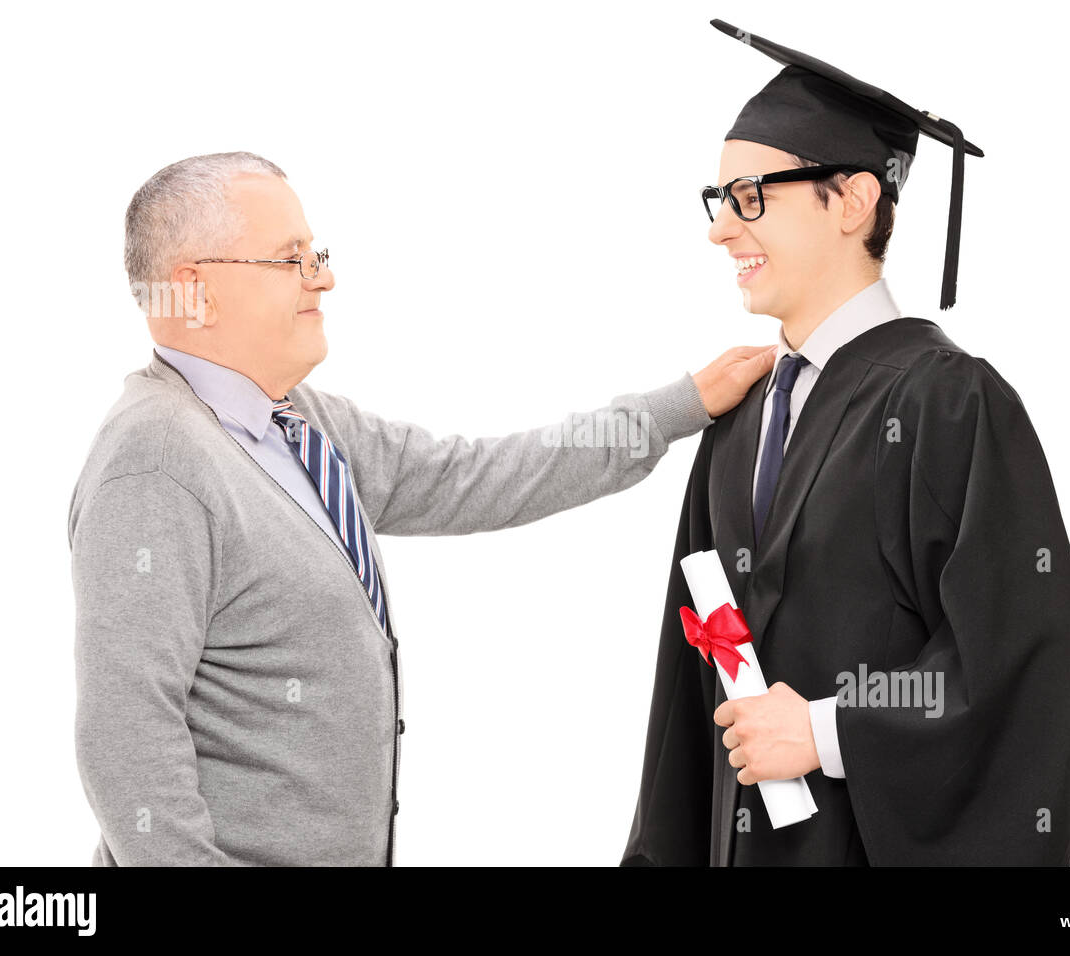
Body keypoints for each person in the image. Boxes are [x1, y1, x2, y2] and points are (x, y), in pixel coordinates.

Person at [69, 150, 775, 866]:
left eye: (316, 254)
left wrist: (674, 408)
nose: (324, 276)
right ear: (197, 292)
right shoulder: (156, 461)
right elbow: (126, 739)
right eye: (291, 259)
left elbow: (477, 475)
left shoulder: (301, 423)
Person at [621, 20, 1070, 866]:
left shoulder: (949, 405)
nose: (720, 230)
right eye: (718, 199)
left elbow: (1023, 678)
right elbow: (684, 715)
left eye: (751, 196)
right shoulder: (739, 422)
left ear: (852, 200)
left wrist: (828, 730)